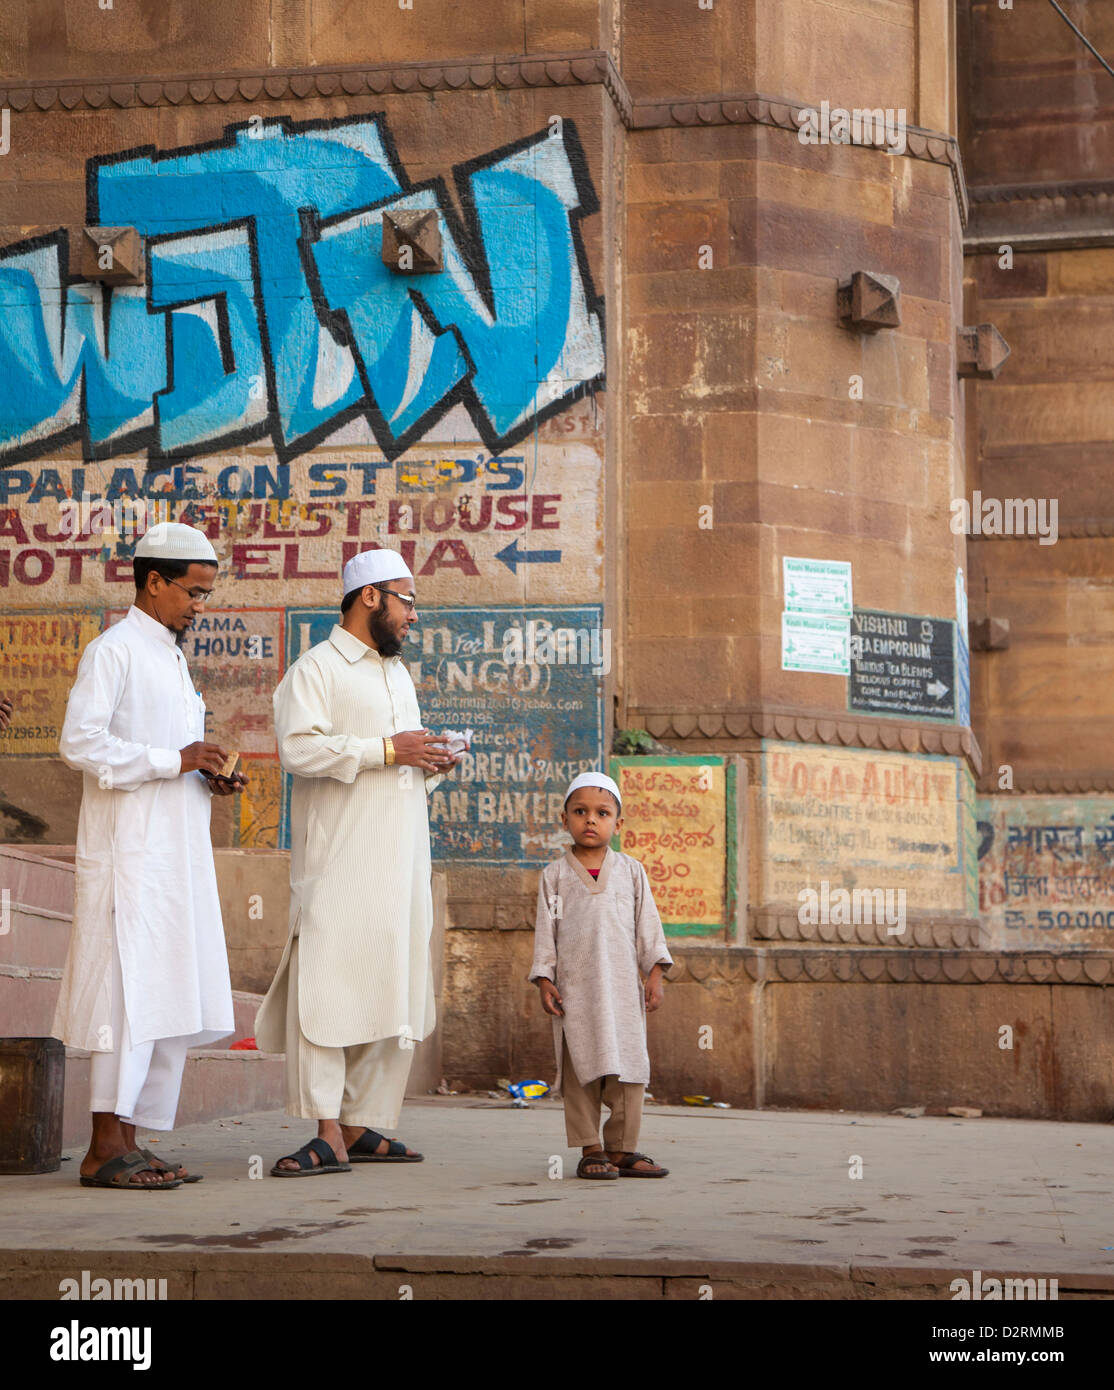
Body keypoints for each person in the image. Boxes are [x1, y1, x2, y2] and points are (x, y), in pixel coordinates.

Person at [256, 548, 458, 1177]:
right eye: (407, 600)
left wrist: (429, 763)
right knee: (327, 989)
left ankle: (356, 1124)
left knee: (392, 987)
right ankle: (322, 1131)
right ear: (369, 596)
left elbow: (396, 762)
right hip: (340, 864)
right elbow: (298, 751)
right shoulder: (314, 670)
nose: (414, 616)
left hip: (400, 860)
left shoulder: (398, 675)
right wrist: (384, 749)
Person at [54, 522, 242, 1190]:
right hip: (129, 858)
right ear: (154, 582)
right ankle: (103, 1147)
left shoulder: (170, 657)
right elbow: (79, 743)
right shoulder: (114, 651)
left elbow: (171, 757)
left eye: (207, 594)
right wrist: (173, 760)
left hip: (174, 858)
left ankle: (130, 1141)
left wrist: (204, 773)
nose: (200, 605)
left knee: (163, 992)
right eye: (192, 592)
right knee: (127, 996)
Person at [529, 772, 673, 1179]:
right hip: (575, 992)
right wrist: (545, 979)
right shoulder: (554, 876)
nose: (590, 820)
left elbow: (648, 927)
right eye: (580, 812)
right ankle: (591, 1149)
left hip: (623, 991)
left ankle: (623, 1149)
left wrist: (655, 974)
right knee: (580, 1070)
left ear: (618, 824)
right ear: (565, 820)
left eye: (602, 813)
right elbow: (547, 933)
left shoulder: (631, 872)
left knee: (628, 1068)